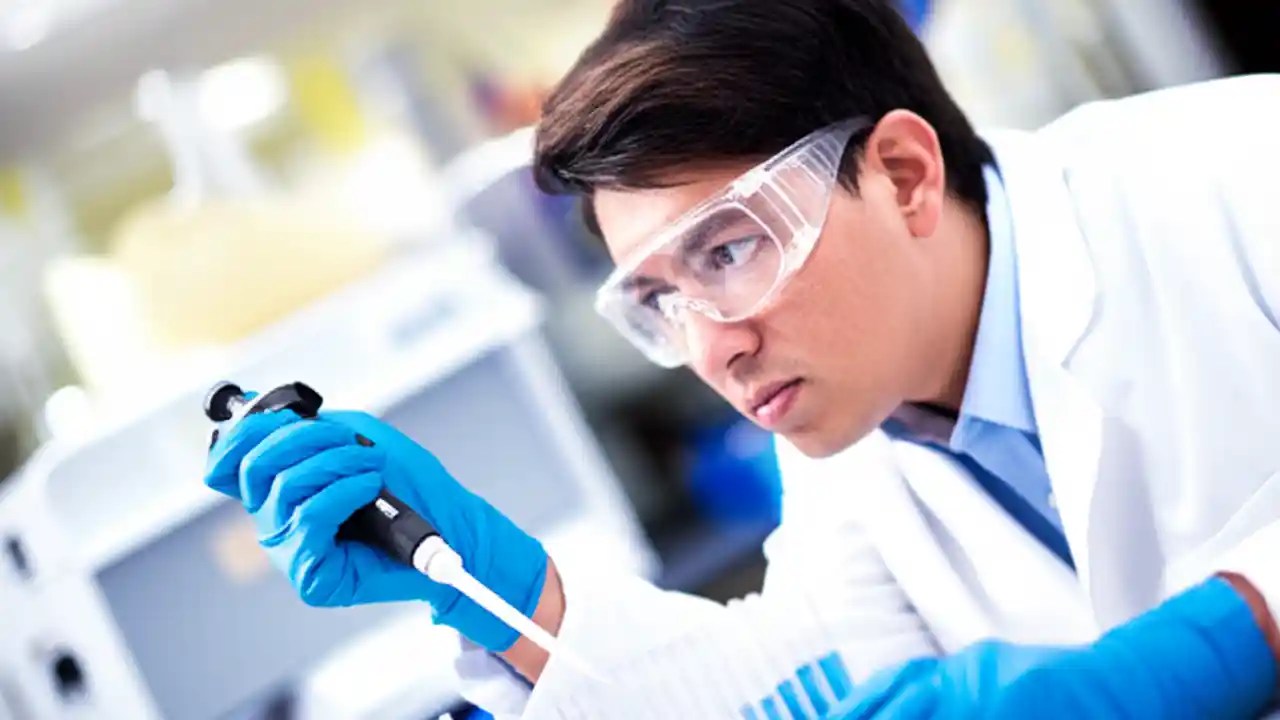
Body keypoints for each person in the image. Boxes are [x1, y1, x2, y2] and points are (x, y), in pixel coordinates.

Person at [203, 1, 1280, 717]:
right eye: (657, 299)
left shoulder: (1231, 170)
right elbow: (802, 677)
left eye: (726, 248)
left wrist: (1220, 639)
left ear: (903, 173)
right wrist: (499, 589)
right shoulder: (847, 444)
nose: (709, 345)